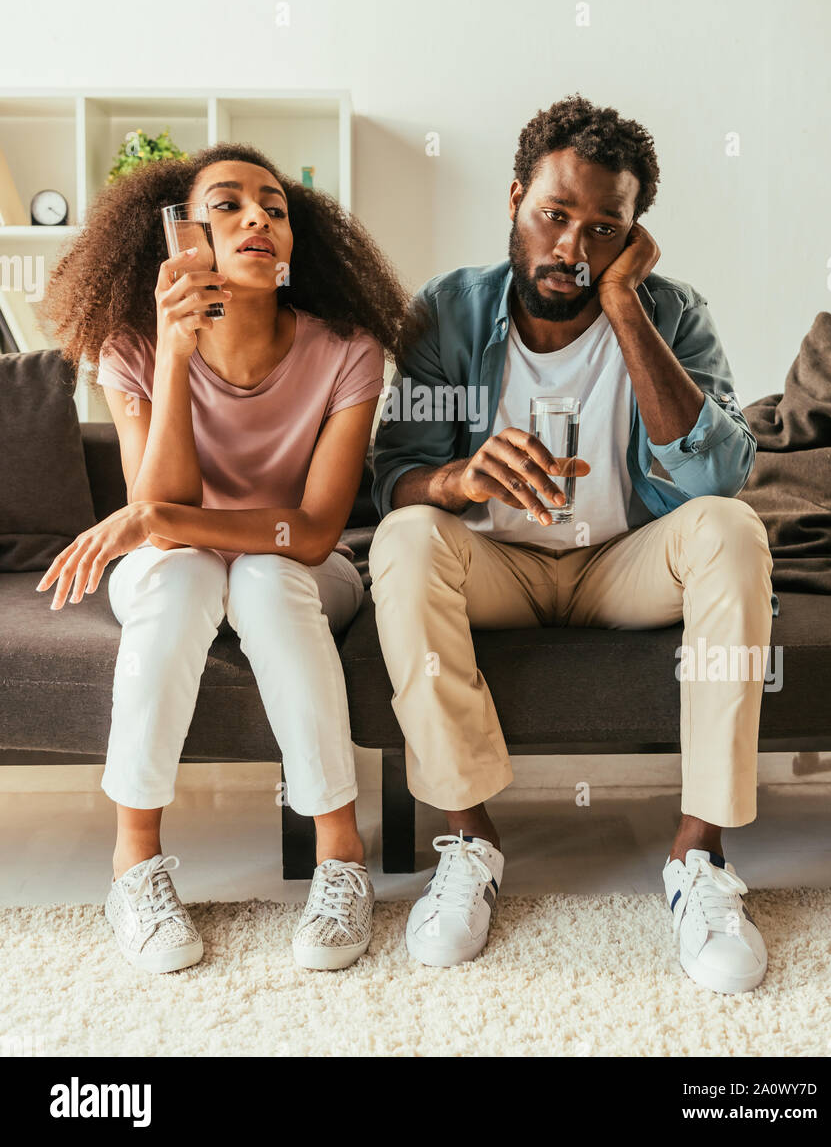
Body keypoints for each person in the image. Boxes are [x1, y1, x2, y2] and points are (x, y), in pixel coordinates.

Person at [369, 94, 774, 994]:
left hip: (619, 565)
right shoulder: (448, 310)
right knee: (403, 539)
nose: (571, 248)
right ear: (514, 197)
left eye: (604, 228)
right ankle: (469, 842)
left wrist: (625, 307)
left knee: (732, 530)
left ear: (633, 236)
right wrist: (457, 479)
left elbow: (717, 479)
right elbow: (390, 473)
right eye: (554, 215)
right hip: (497, 564)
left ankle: (699, 859)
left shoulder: (672, 312)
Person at [37, 143, 412, 975]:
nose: (258, 219)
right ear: (179, 237)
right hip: (177, 565)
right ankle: (134, 864)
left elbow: (314, 531)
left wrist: (162, 521)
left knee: (269, 580)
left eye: (275, 208)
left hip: (297, 565)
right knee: (183, 579)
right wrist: (173, 353)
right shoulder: (128, 344)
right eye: (229, 205)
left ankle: (338, 858)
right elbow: (163, 511)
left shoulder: (346, 350)